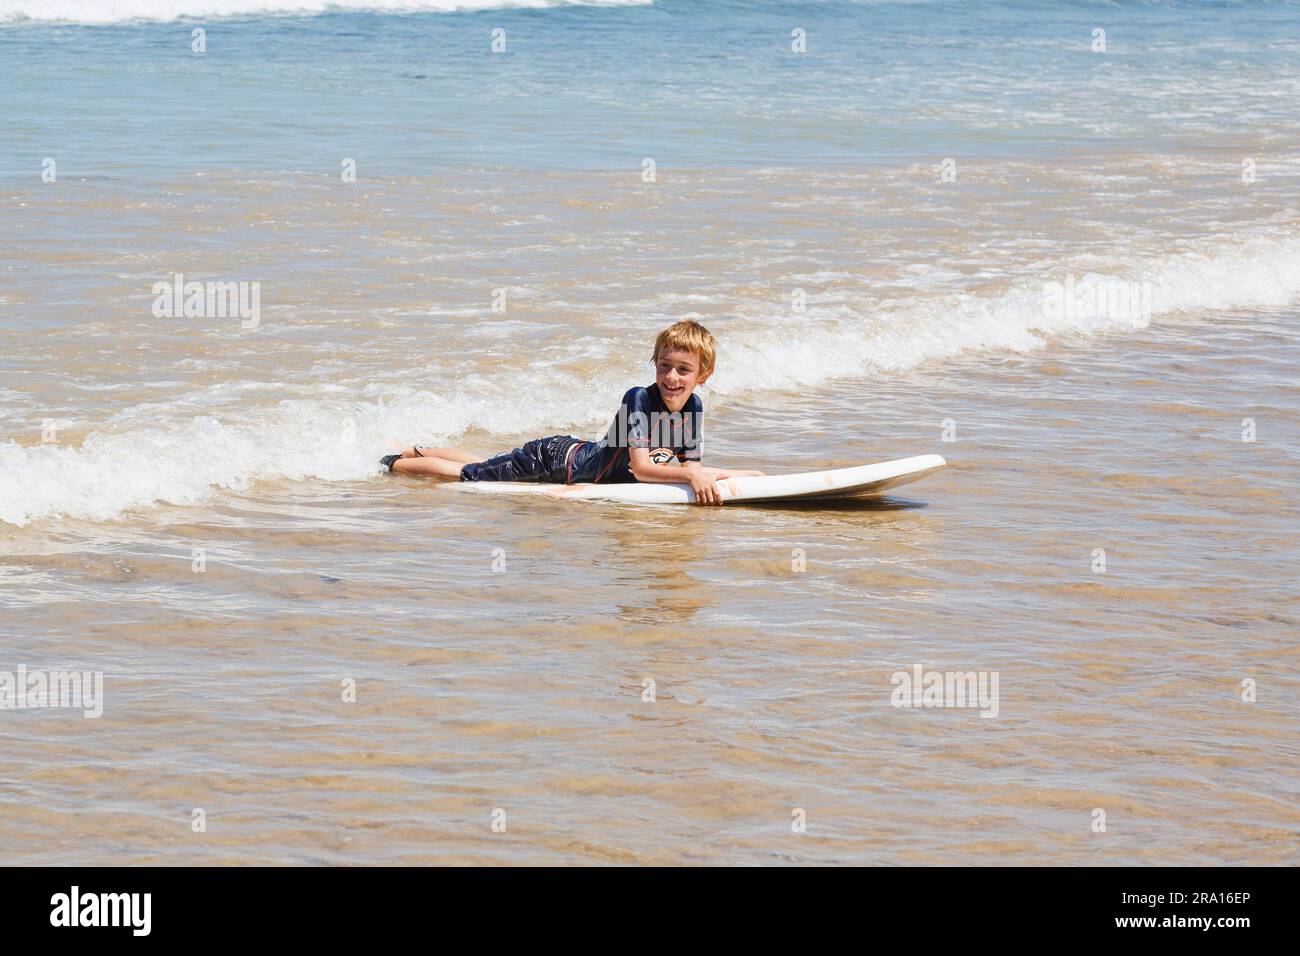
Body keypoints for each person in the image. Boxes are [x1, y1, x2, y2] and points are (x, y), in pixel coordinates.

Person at [382, 319, 764, 505]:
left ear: (703, 376)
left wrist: (745, 475)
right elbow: (642, 469)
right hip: (553, 461)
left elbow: (688, 466)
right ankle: (394, 462)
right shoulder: (639, 399)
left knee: (487, 462)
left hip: (578, 453)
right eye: (665, 366)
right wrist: (695, 474)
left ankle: (419, 448)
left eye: (683, 370)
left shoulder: (693, 406)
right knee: (469, 475)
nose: (672, 377)